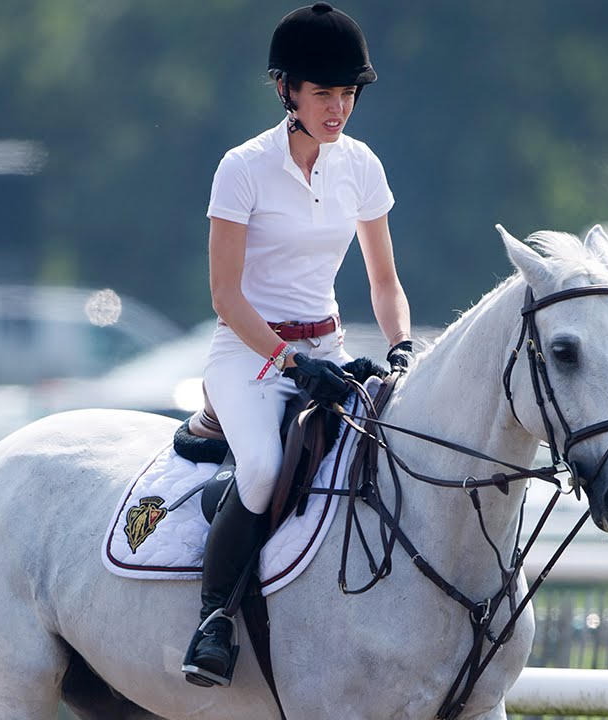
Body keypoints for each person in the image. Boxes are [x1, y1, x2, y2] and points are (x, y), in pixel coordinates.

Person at [182, 2, 415, 688]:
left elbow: (385, 280)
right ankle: (213, 619)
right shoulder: (242, 168)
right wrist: (288, 361)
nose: (338, 108)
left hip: (331, 351)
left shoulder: (361, 167)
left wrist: (401, 345)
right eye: (323, 93)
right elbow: (226, 295)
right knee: (260, 469)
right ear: (287, 89)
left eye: (348, 93)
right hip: (249, 355)